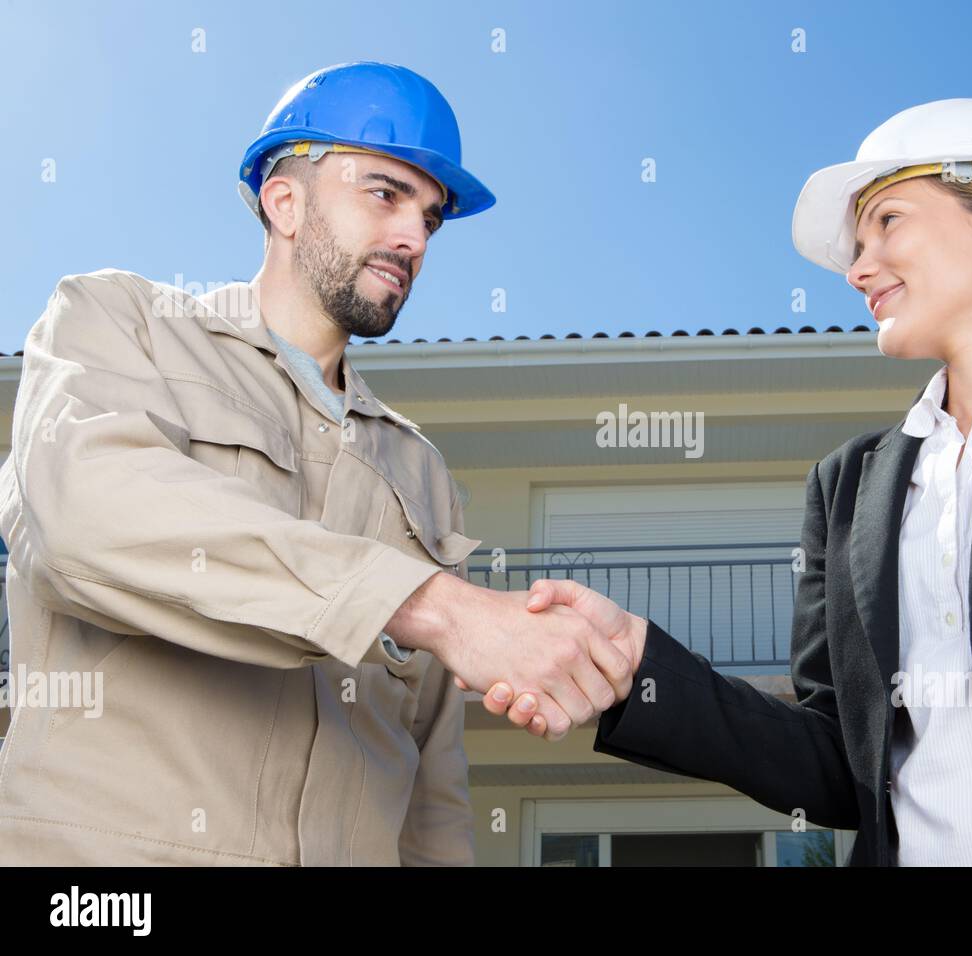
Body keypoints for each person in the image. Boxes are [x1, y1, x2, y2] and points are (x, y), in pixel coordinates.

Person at [474, 98, 972, 865]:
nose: (859, 267)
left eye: (886, 225)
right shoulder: (849, 487)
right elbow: (839, 758)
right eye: (857, 245)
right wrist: (641, 668)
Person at [0, 61, 630, 866]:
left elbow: (431, 779)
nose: (414, 237)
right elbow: (82, 514)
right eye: (384, 193)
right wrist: (433, 606)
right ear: (283, 200)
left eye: (432, 218)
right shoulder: (122, 325)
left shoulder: (418, 471)